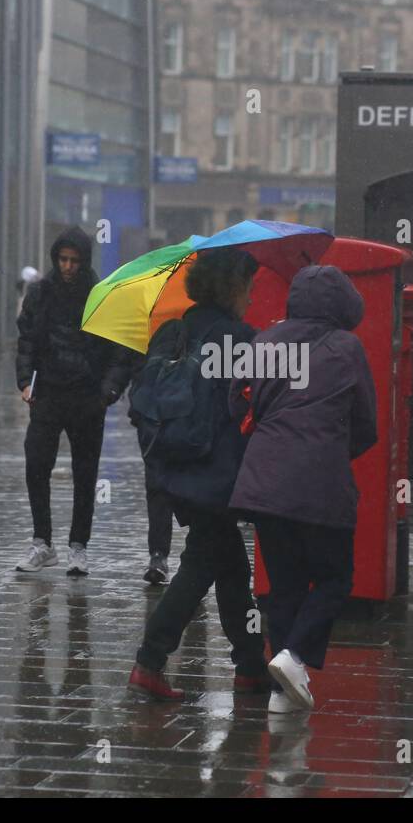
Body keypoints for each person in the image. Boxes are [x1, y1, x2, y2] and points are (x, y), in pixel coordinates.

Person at [229, 265, 378, 714]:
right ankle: (293, 659)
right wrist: (330, 450)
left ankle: (284, 693)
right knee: (334, 578)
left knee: (287, 584)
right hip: (320, 483)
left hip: (265, 482)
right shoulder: (347, 347)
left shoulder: (264, 341)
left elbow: (236, 399)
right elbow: (366, 425)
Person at [127, 248, 269, 701]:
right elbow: (259, 404)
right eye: (247, 286)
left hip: (173, 464)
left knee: (228, 564)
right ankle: (149, 661)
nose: (250, 295)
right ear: (231, 287)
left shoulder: (174, 331)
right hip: (217, 472)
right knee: (202, 563)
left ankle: (249, 666)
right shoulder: (240, 338)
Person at [14, 228, 132, 577]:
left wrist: (107, 392)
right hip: (48, 393)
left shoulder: (102, 296)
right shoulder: (40, 294)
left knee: (85, 473)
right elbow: (26, 341)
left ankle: (78, 546)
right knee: (36, 464)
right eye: (63, 260)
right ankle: (42, 542)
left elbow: (119, 350)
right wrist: (24, 381)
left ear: (84, 261)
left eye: (74, 261)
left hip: (86, 397)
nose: (67, 267)